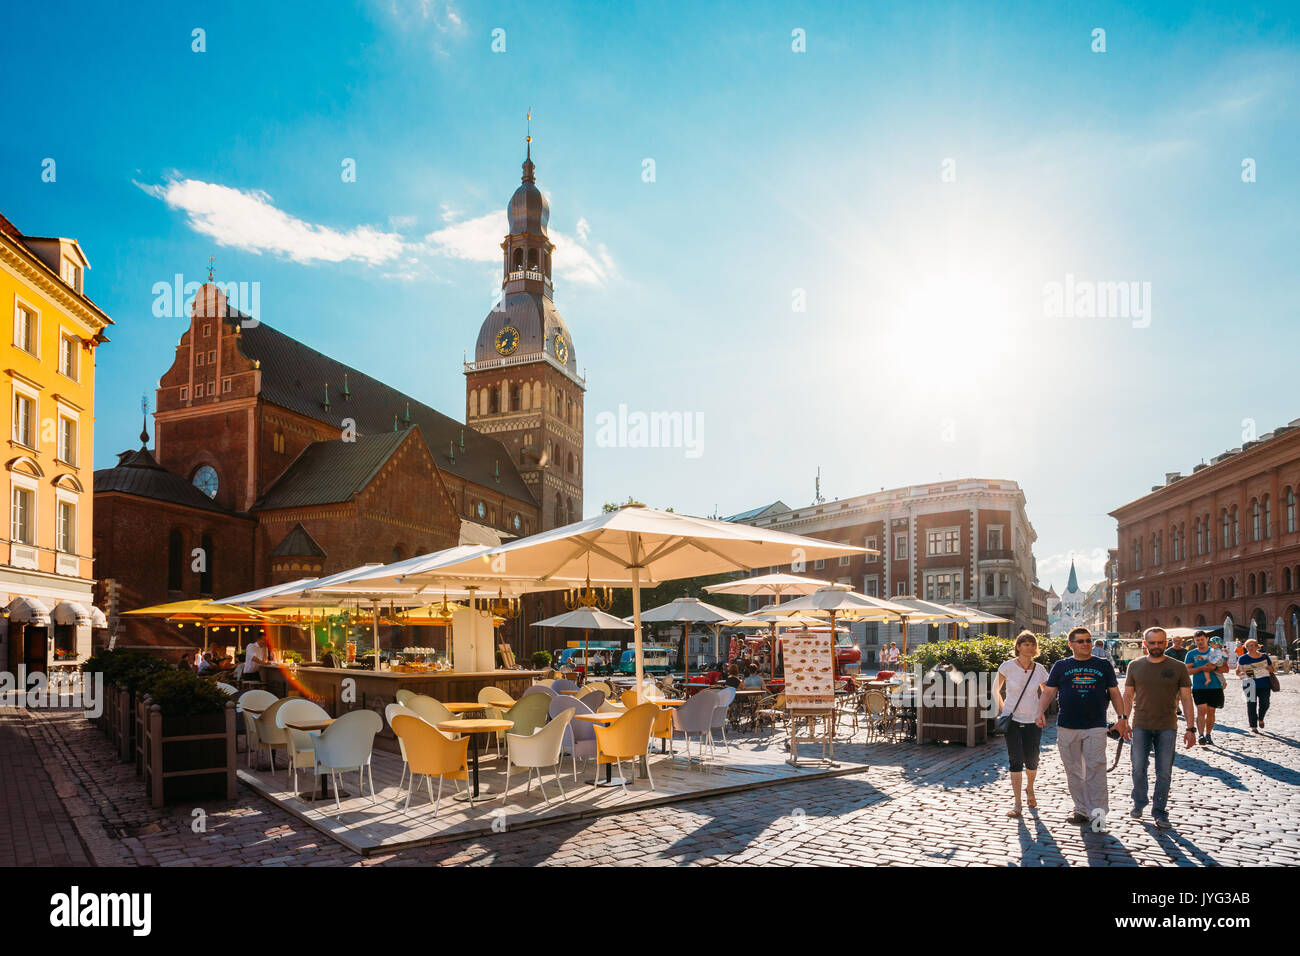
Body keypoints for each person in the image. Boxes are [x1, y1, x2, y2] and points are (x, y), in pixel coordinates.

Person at [1036, 626, 1128, 830]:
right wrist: (1039, 711)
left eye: (1088, 640)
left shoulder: (1102, 665)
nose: (1086, 644)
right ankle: (1081, 809)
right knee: (1074, 771)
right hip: (1067, 725)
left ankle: (1098, 815)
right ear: (1071, 645)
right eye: (1081, 641)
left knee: (1096, 769)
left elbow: (1114, 693)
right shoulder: (1061, 666)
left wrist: (1122, 718)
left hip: (1095, 725)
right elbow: (1049, 692)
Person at [1122, 627, 1196, 828]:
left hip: (1167, 726)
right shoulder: (1134, 666)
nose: (1156, 646)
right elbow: (1128, 695)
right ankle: (1139, 802)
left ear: (1166, 643)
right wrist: (1123, 720)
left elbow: (1187, 699)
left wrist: (1191, 728)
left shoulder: (1178, 667)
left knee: (1164, 771)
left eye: (1160, 642)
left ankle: (1160, 811)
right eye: (1152, 643)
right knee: (1138, 768)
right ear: (1145, 644)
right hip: (1140, 725)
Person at [994, 632, 1049, 818]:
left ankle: (1030, 789)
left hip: (1033, 719)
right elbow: (995, 690)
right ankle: (1017, 803)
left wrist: (1041, 712)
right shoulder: (1007, 667)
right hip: (1013, 720)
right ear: (1018, 647)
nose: (1030, 648)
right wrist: (1004, 711)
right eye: (1026, 644)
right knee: (1015, 760)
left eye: (1033, 645)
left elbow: (1046, 693)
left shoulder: (1040, 669)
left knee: (1033, 760)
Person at [1235, 638, 1276, 733]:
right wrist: (1239, 669)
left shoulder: (1264, 657)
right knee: (1251, 705)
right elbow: (1238, 672)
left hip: (1264, 684)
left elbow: (1272, 669)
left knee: (1265, 704)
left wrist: (1266, 667)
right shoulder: (1243, 658)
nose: (1250, 648)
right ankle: (1253, 725)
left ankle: (1260, 718)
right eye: (1248, 646)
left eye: (1252, 645)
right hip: (1249, 684)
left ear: (1257, 646)